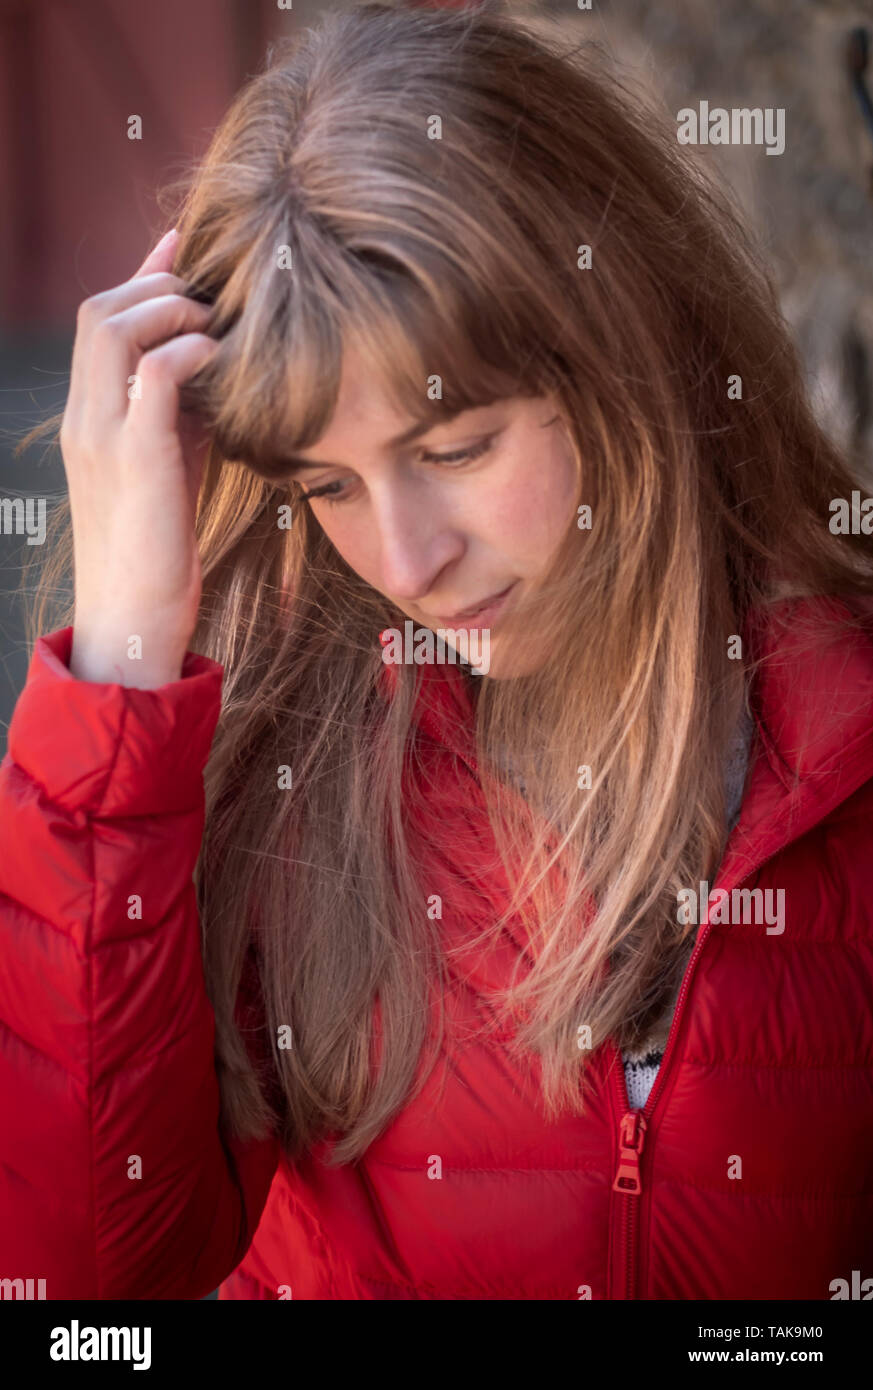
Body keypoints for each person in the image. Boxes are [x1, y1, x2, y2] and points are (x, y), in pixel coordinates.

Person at [2, 0, 873, 1301]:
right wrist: (125, 651)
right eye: (330, 485)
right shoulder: (274, 760)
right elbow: (88, 1285)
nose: (404, 563)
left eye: (454, 449)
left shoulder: (845, 747)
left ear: (624, 354)